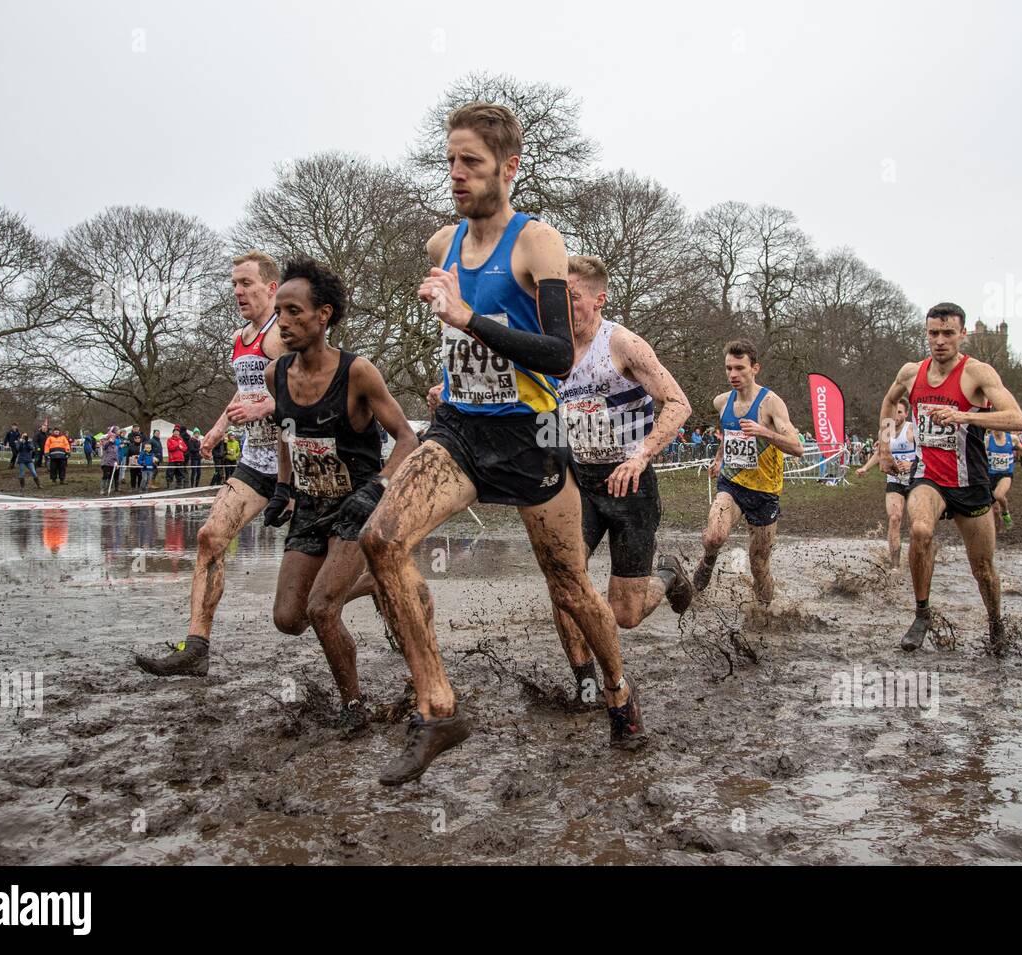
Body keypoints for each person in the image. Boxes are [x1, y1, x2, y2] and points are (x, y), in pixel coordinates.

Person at [360, 102, 646, 786]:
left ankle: (618, 690)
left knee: (572, 589)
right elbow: (456, 340)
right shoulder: (442, 245)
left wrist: (469, 316)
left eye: (471, 163)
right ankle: (439, 706)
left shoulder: (537, 242)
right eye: (449, 161)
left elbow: (554, 356)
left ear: (508, 168)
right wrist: (447, 366)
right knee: (381, 540)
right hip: (460, 430)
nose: (455, 174)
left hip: (531, 437)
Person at [522, 254, 695, 698]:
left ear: (598, 300)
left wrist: (639, 456)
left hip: (630, 487)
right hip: (579, 486)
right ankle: (585, 686)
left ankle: (669, 574)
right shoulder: (550, 349)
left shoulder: (623, 344)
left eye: (572, 298)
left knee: (626, 614)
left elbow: (678, 404)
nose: (561, 308)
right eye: (556, 297)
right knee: (564, 580)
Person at [260, 257, 419, 713]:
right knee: (289, 619)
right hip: (311, 504)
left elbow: (408, 438)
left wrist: (380, 486)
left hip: (358, 505)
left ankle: (353, 707)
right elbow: (286, 432)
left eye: (294, 311)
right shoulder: (277, 375)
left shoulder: (357, 372)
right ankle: (370, 583)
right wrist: (283, 488)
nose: (283, 322)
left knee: (321, 609)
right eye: (279, 312)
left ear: (323, 315)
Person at [136, 251, 285, 677]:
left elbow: (314, 388)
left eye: (246, 283)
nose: (237, 291)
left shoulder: (284, 334)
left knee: (330, 567)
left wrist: (269, 407)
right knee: (209, 536)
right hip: (257, 464)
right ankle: (197, 646)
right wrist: (218, 429)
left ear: (271, 287)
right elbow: (245, 391)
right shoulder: (241, 338)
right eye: (234, 284)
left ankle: (380, 594)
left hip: (303, 466)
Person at [877, 302, 1022, 656]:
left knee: (983, 569)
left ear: (962, 334)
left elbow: (1017, 419)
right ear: (926, 334)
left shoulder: (978, 373)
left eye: (947, 333)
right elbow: (888, 400)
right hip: (929, 477)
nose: (940, 340)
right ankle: (921, 613)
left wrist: (965, 416)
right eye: (933, 333)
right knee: (920, 530)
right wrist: (884, 447)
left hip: (972, 482)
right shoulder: (912, 373)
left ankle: (995, 625)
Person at [691, 340, 805, 602]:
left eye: (740, 368)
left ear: (755, 368)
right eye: (729, 368)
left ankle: (764, 614)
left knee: (759, 565)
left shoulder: (771, 403)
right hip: (732, 484)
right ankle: (707, 563)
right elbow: (729, 435)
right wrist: (719, 458)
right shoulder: (721, 402)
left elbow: (798, 448)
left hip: (765, 492)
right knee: (714, 536)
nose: (733, 375)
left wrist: (764, 431)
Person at [855, 396, 916, 568]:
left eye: (899, 412)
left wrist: (911, 464)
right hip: (894, 480)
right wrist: (865, 468)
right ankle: (895, 565)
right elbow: (880, 452)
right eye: (893, 412)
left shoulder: (912, 429)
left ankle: (918, 557)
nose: (895, 416)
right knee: (894, 518)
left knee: (917, 525)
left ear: (906, 414)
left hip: (914, 481)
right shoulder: (886, 430)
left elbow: (925, 453)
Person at [987, 428, 1022, 531]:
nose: (996, 432)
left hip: (1006, 474)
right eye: (994, 430)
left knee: (999, 495)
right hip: (990, 476)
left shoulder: (1012, 439)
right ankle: (997, 531)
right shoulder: (987, 440)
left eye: (998, 429)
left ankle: (1006, 512)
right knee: (995, 510)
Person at [100, 427, 118, 494]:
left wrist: (117, 462)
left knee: (111, 476)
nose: (112, 439)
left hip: (112, 463)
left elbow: (116, 455)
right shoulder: (105, 444)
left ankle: (108, 488)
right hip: (106, 463)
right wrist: (108, 442)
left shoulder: (115, 447)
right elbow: (104, 447)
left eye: (114, 438)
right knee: (105, 476)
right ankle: (102, 489)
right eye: (111, 437)